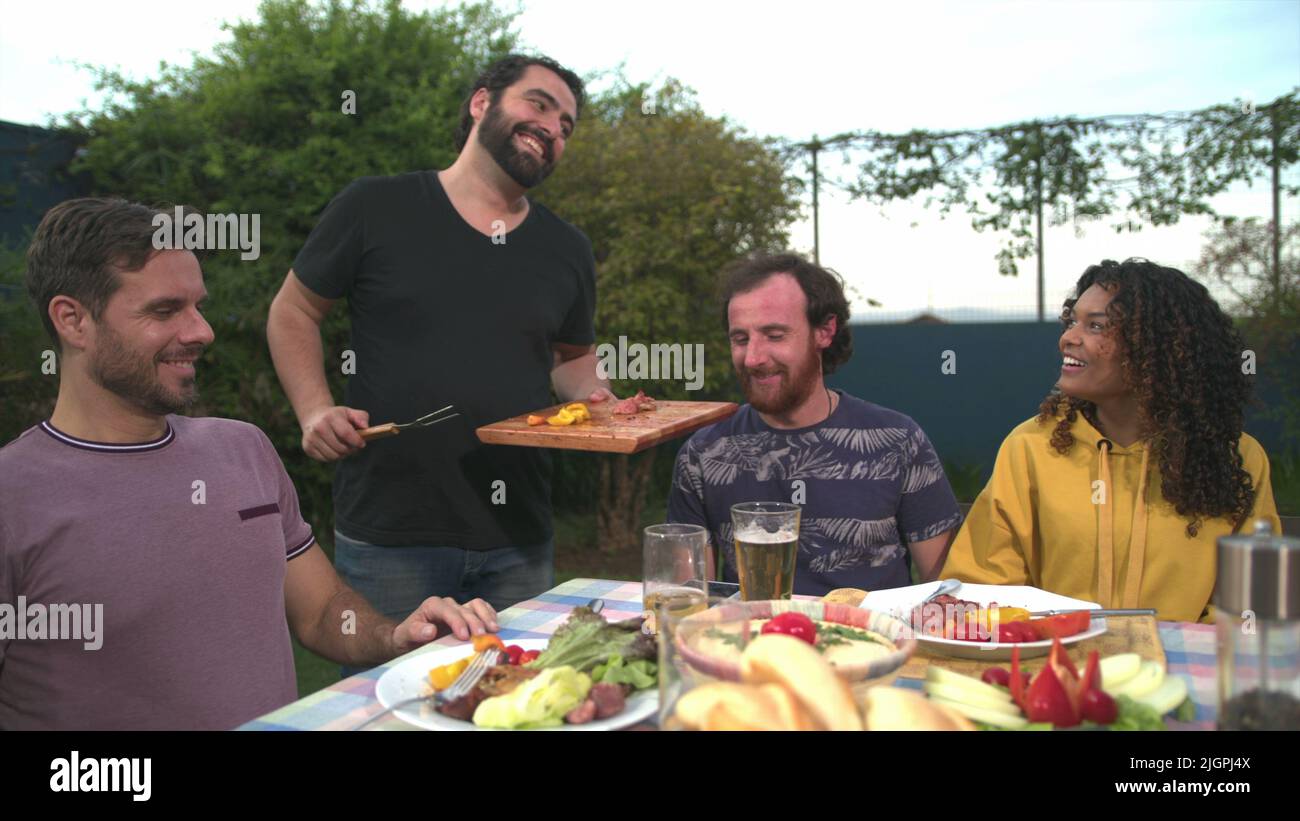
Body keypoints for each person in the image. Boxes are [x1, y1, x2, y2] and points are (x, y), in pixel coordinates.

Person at [0, 198, 498, 730]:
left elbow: (321, 610)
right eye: (165, 311)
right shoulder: (15, 495)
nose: (202, 331)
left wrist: (396, 636)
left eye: (198, 305)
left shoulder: (242, 450)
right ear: (72, 320)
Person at [266, 55, 613, 671]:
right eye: (539, 105)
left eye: (567, 125)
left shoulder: (567, 249)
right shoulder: (376, 206)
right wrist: (314, 409)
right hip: (392, 533)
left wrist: (604, 403)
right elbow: (293, 311)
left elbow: (572, 363)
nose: (554, 129)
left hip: (519, 534)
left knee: (522, 698)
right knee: (389, 707)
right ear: (482, 103)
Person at [940, 258, 1281, 622]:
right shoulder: (1030, 447)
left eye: (1096, 326)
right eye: (1072, 320)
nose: (1068, 337)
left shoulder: (1237, 457)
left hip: (1188, 671)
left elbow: (1254, 604)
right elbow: (982, 591)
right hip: (1057, 663)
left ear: (1158, 348)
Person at [667, 253, 963, 596]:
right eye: (740, 339)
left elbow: (945, 590)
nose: (753, 358)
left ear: (824, 331)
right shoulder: (704, 454)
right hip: (752, 644)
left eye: (774, 335)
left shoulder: (898, 441)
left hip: (872, 642)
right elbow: (687, 598)